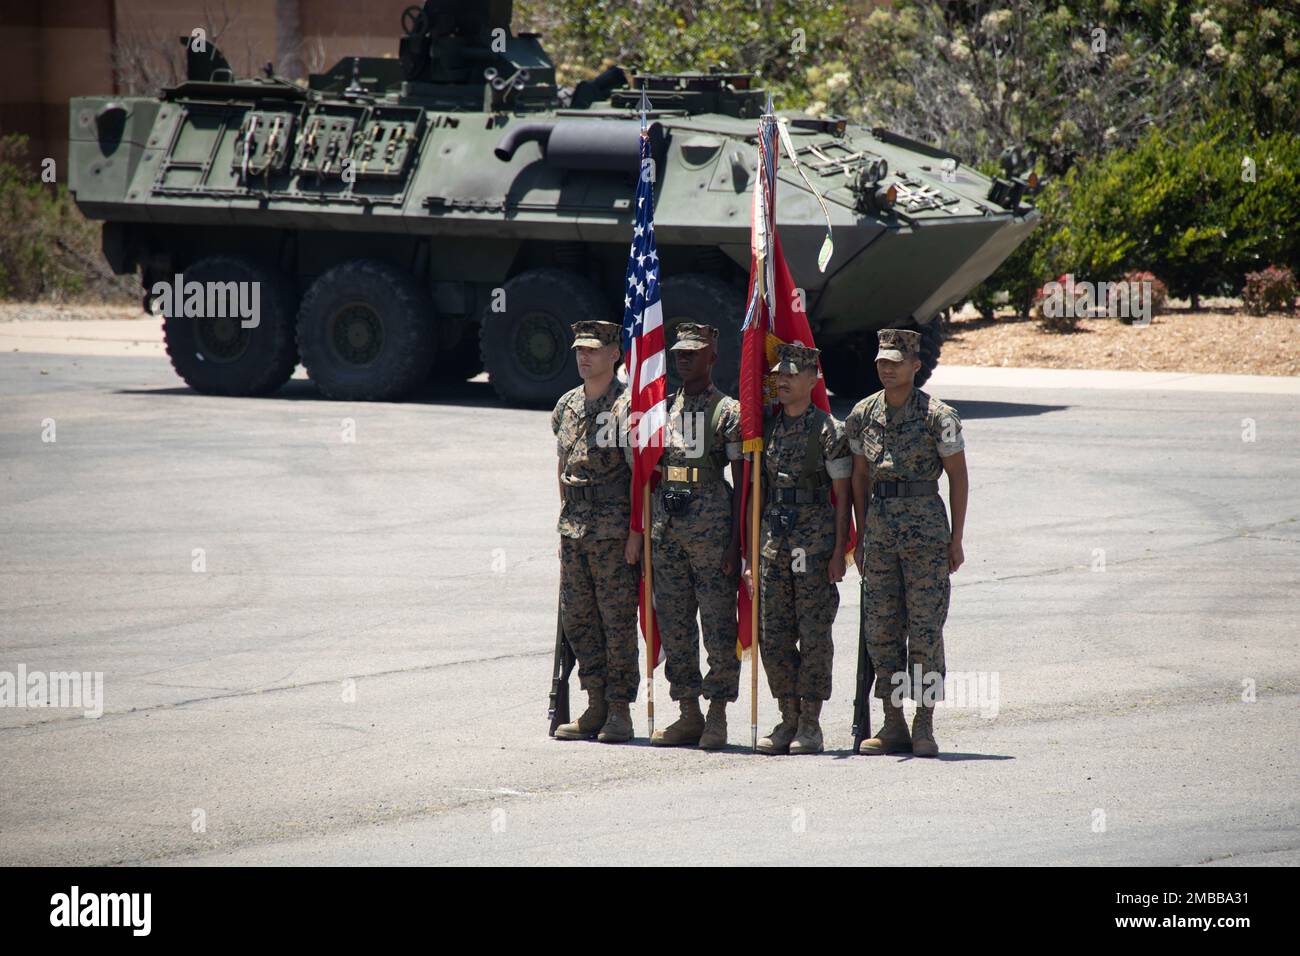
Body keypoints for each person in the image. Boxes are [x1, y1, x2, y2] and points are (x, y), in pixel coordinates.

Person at [846, 328, 968, 757]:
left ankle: (924, 721)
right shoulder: (862, 414)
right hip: (879, 535)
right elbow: (859, 478)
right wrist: (861, 536)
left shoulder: (939, 415)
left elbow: (957, 477)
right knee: (880, 630)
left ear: (916, 366)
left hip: (927, 537)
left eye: (896, 361)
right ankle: (892, 720)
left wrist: (956, 539)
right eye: (882, 361)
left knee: (925, 630)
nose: (887, 368)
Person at [628, 323, 743, 751]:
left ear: (712, 356)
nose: (683, 359)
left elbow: (743, 480)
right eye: (679, 352)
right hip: (667, 530)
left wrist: (736, 543)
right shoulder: (660, 409)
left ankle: (717, 714)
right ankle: (688, 711)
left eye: (693, 353)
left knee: (716, 625)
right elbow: (645, 471)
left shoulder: (726, 411)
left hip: (712, 532)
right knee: (675, 624)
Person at [743, 342, 852, 755]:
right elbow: (758, 495)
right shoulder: (767, 431)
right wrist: (751, 557)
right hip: (774, 546)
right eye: (778, 375)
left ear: (812, 379)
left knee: (814, 634)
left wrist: (840, 550)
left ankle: (810, 723)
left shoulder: (828, 431)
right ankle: (787, 717)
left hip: (814, 547)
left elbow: (843, 497)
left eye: (791, 374)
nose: (782, 381)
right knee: (774, 636)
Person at [550, 320, 642, 743]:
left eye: (593, 350)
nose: (584, 357)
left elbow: (639, 476)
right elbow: (563, 467)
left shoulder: (628, 407)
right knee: (578, 618)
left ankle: (620, 710)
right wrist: (563, 523)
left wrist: (635, 534)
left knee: (616, 619)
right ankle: (595, 703)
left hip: (612, 529)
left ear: (615, 354)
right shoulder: (566, 405)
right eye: (579, 350)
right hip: (575, 527)